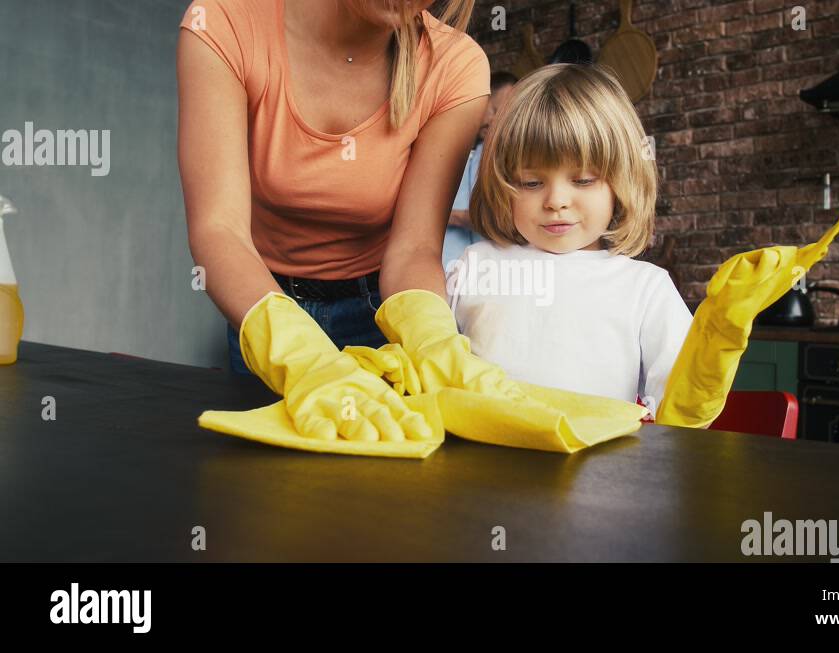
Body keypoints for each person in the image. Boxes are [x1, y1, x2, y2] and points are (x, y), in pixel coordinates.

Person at [177, 0, 496, 440]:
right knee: (261, 494)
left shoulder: (456, 65)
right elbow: (220, 229)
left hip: (377, 313)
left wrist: (432, 339)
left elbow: (415, 249)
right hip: (263, 305)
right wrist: (298, 353)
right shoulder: (224, 20)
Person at [450, 64, 693, 415]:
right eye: (532, 183)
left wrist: (720, 338)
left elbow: (683, 404)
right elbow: (429, 370)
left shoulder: (645, 288)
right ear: (503, 184)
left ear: (622, 181)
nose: (556, 200)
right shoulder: (474, 266)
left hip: (600, 469)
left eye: (582, 180)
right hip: (483, 466)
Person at [441, 71, 517, 272]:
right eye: (493, 109)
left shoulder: (503, 155)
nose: (495, 122)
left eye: (504, 117)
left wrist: (443, 215)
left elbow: (502, 220)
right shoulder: (445, 149)